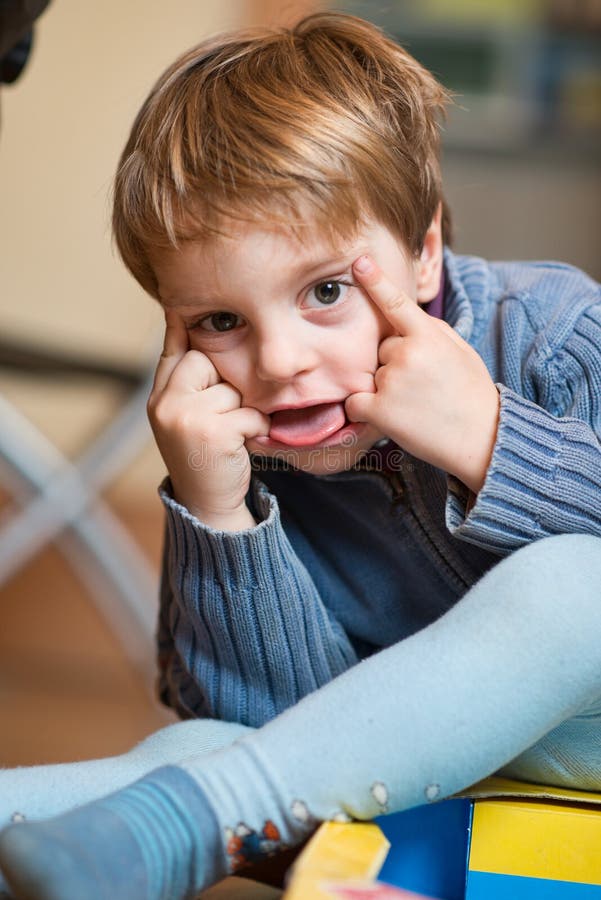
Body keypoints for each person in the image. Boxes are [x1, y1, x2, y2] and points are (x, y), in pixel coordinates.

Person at [1, 12, 601, 900]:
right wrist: (219, 515)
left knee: (575, 586)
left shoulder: (554, 334)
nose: (278, 364)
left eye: (324, 292)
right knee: (202, 751)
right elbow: (260, 717)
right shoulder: (239, 445)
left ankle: (190, 820)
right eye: (220, 321)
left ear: (425, 250)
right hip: (385, 778)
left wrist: (492, 442)